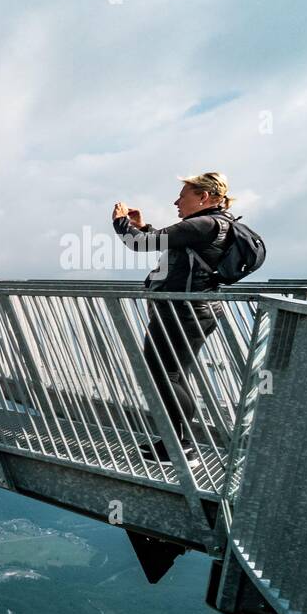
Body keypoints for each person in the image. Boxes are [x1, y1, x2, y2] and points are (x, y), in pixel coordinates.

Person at [112, 172, 237, 467]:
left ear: (203, 197)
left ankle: (180, 447)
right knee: (173, 375)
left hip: (182, 312)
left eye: (183, 196)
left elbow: (141, 245)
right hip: (191, 311)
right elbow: (170, 244)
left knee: (162, 375)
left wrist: (120, 223)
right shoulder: (214, 224)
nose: (176, 201)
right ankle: (174, 443)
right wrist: (142, 226)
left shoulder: (203, 224)